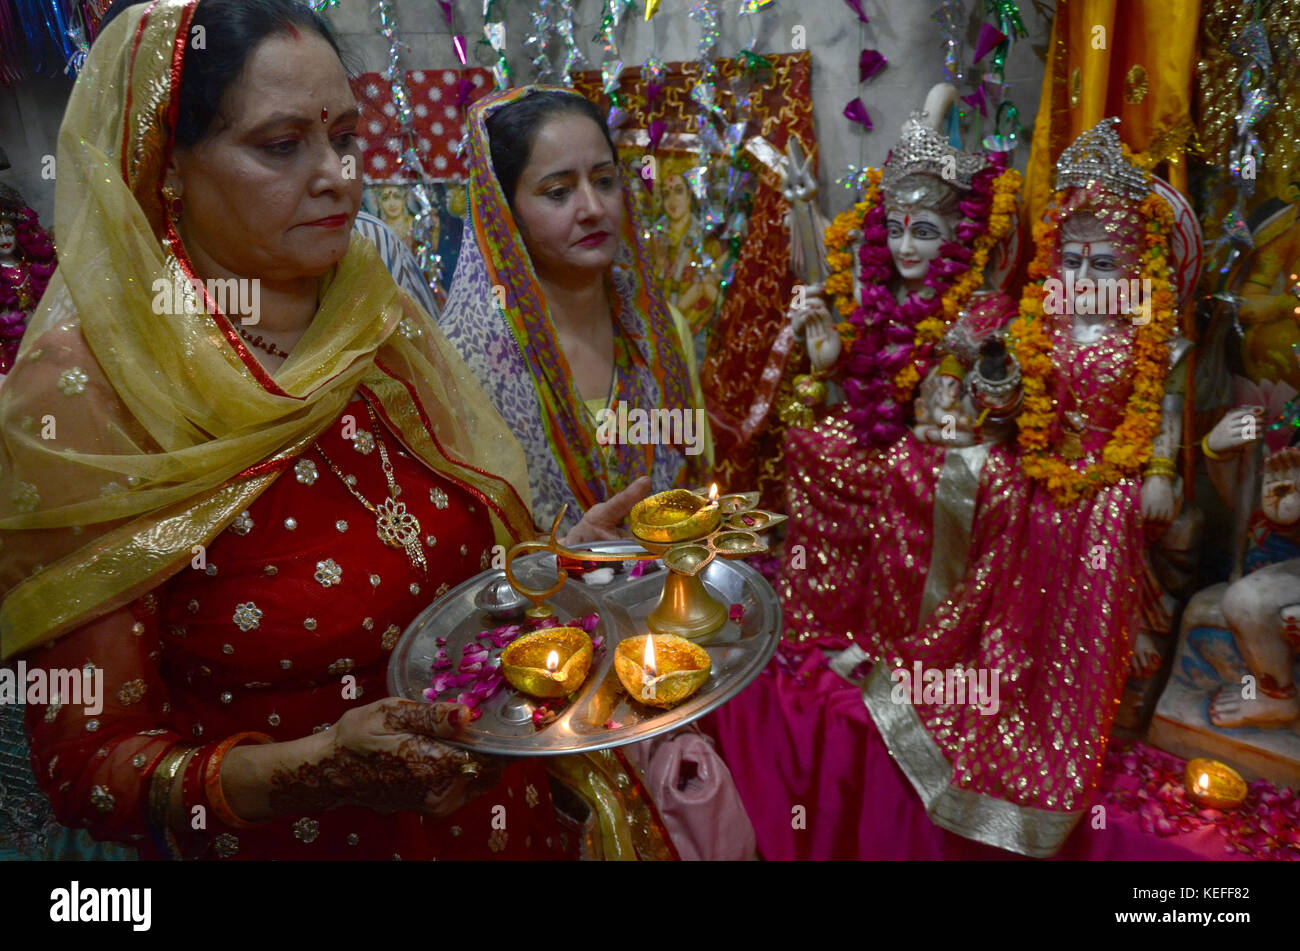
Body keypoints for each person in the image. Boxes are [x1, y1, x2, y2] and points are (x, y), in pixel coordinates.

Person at [0, 0, 633, 860]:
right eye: (282, 145)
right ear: (168, 163)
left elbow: (441, 578)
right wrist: (316, 769)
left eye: (344, 135)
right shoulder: (93, 392)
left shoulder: (374, 315)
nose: (338, 173)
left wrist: (553, 570)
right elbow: (89, 768)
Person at [438, 86, 710, 539]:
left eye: (604, 181)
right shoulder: (464, 361)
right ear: (506, 213)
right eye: (559, 192)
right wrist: (562, 554)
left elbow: (696, 487)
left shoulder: (660, 333)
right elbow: (459, 548)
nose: (592, 208)